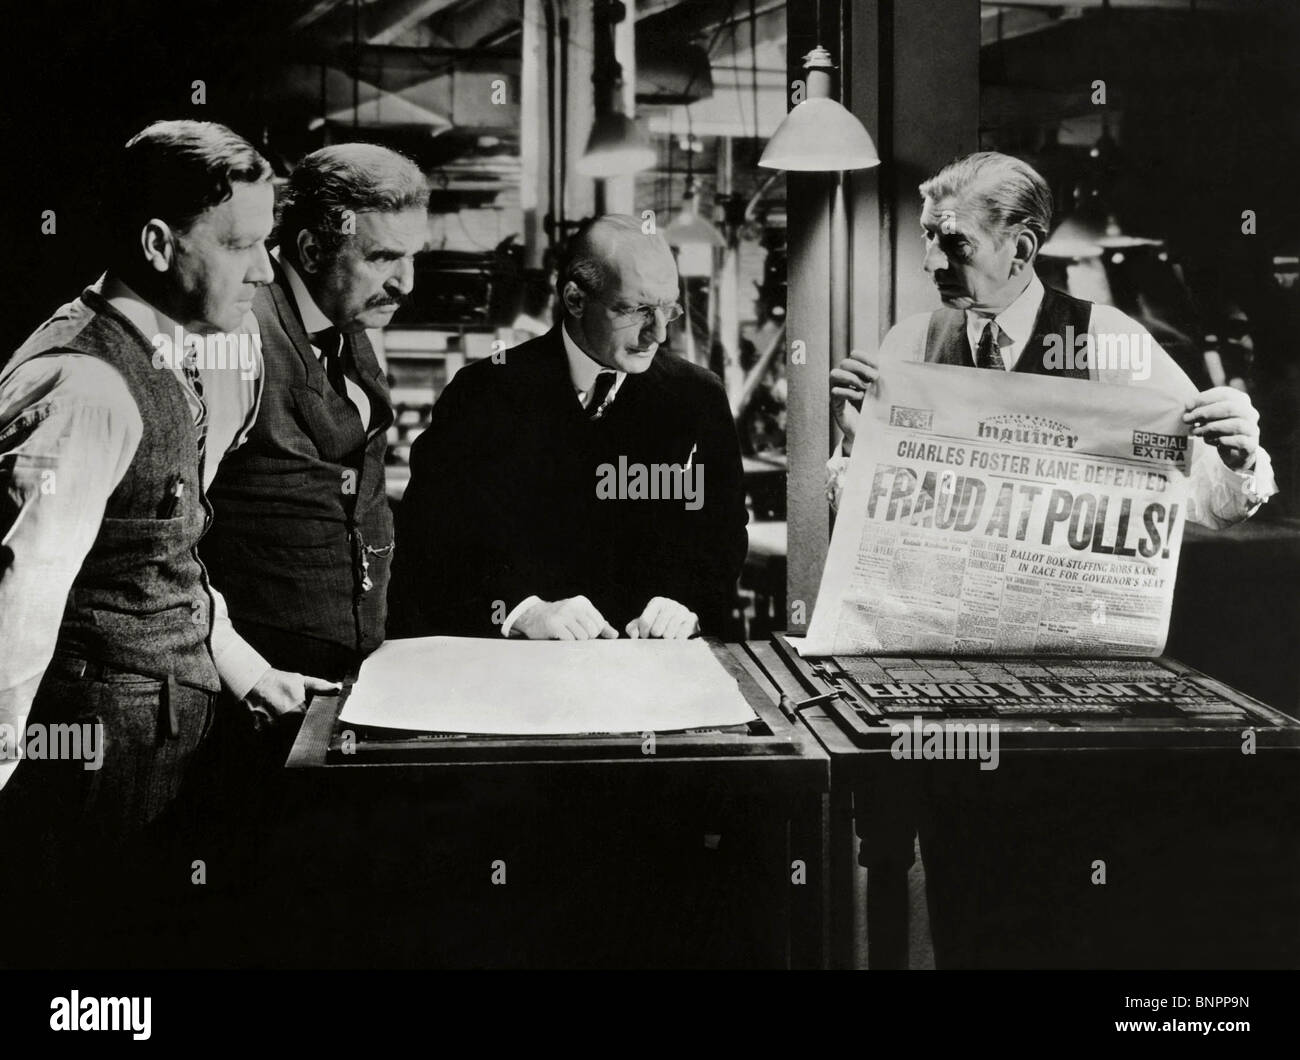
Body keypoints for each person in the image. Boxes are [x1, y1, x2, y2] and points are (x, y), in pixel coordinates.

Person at [0, 120, 332, 964]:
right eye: (243, 245)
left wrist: (248, 676)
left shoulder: (174, 356)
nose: (264, 270)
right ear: (157, 242)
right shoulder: (86, 387)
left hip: (160, 743)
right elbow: (18, 605)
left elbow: (160, 554)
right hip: (92, 761)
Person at [828, 151, 1276, 524]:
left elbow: (1208, 502)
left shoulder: (1106, 339)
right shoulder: (911, 345)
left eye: (954, 243)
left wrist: (1241, 459)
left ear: (1021, 249)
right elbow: (871, 513)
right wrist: (856, 443)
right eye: (928, 236)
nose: (931, 263)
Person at [390, 213, 748, 640]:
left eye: (667, 310)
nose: (657, 334)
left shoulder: (698, 396)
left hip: (650, 669)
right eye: (636, 310)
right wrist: (522, 610)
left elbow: (723, 534)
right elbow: (428, 540)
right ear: (575, 300)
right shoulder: (481, 393)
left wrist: (686, 602)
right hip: (517, 667)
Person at [201, 144, 429, 691]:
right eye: (382, 258)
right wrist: (246, 674)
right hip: (256, 684)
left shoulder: (348, 321)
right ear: (308, 249)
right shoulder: (237, 335)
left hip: (342, 673)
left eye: (413, 255)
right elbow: (171, 537)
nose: (407, 282)